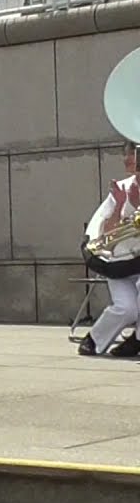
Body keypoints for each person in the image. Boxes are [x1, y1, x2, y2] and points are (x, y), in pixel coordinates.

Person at [78, 143, 140, 357]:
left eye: (133, 155)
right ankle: (94, 339)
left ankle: (137, 341)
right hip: (118, 264)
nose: (129, 160)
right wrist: (123, 206)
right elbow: (104, 236)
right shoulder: (121, 189)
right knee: (127, 308)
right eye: (129, 155)